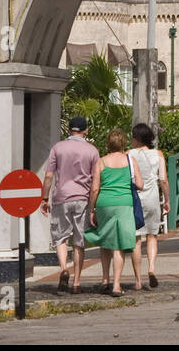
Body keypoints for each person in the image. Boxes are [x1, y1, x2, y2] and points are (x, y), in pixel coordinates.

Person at [41, 116, 99, 294]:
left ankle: (64, 269)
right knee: (79, 241)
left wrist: (44, 198)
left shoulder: (58, 148)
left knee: (60, 237)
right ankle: (76, 282)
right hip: (82, 198)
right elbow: (96, 180)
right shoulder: (92, 151)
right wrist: (92, 206)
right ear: (86, 130)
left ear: (69, 130)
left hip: (61, 197)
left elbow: (49, 176)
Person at [84, 128, 144, 295]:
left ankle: (105, 279)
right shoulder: (130, 161)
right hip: (124, 204)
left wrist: (91, 209)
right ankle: (117, 285)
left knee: (106, 240)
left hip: (105, 204)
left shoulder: (101, 162)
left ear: (108, 144)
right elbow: (140, 185)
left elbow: (95, 189)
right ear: (123, 143)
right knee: (119, 246)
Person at [129, 122, 169, 290]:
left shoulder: (128, 155)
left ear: (137, 138)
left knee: (136, 239)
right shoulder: (158, 154)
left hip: (135, 199)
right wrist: (167, 200)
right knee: (152, 236)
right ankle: (151, 268)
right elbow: (163, 180)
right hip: (153, 198)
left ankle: (138, 280)